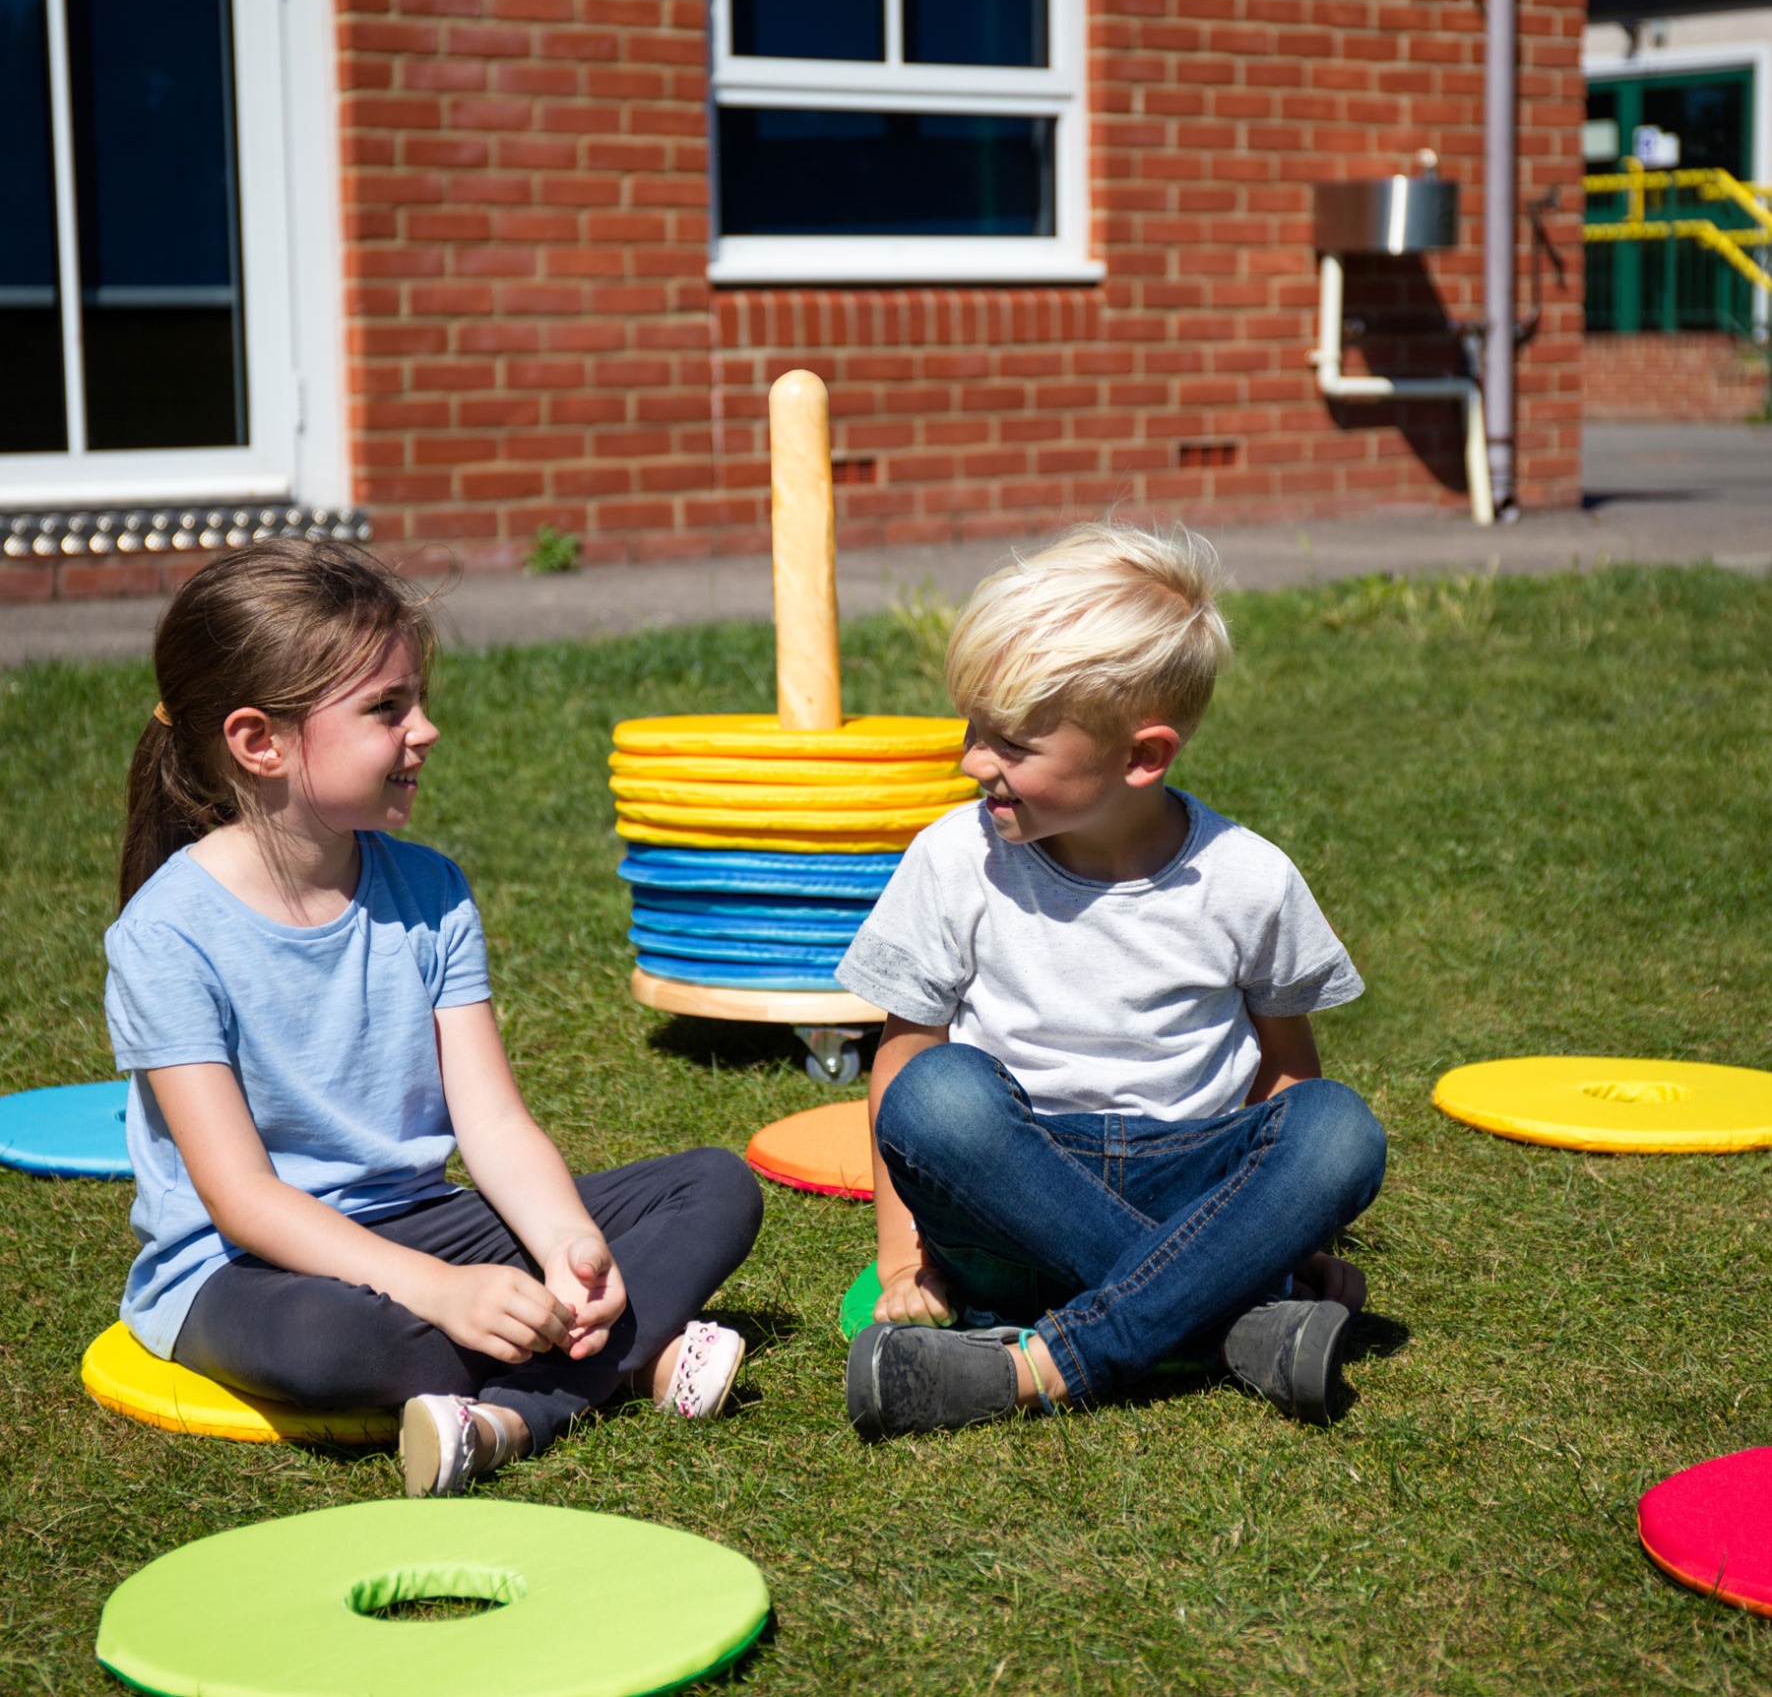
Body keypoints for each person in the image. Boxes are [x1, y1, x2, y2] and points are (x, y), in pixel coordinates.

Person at [105, 540, 762, 1495]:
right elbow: (241, 1197)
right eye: (386, 709)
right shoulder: (165, 934)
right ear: (260, 742)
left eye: (416, 699)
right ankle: (631, 1356)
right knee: (330, 1344)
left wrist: (565, 1244)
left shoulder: (432, 892)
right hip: (244, 1272)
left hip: (422, 1221)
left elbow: (491, 1122)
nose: (427, 730)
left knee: (714, 1187)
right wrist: (440, 1293)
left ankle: (510, 1416)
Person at [838, 524, 1386, 1438]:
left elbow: (1289, 1070)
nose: (974, 762)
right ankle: (1231, 1321)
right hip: (1007, 1207)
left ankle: (1039, 1366)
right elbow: (903, 1068)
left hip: (1187, 1185)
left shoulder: (1247, 879)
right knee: (939, 1098)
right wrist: (903, 1260)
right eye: (976, 729)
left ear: (1142, 757)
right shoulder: (951, 858)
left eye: (1011, 745)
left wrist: (1307, 1229)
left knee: (1340, 1133)